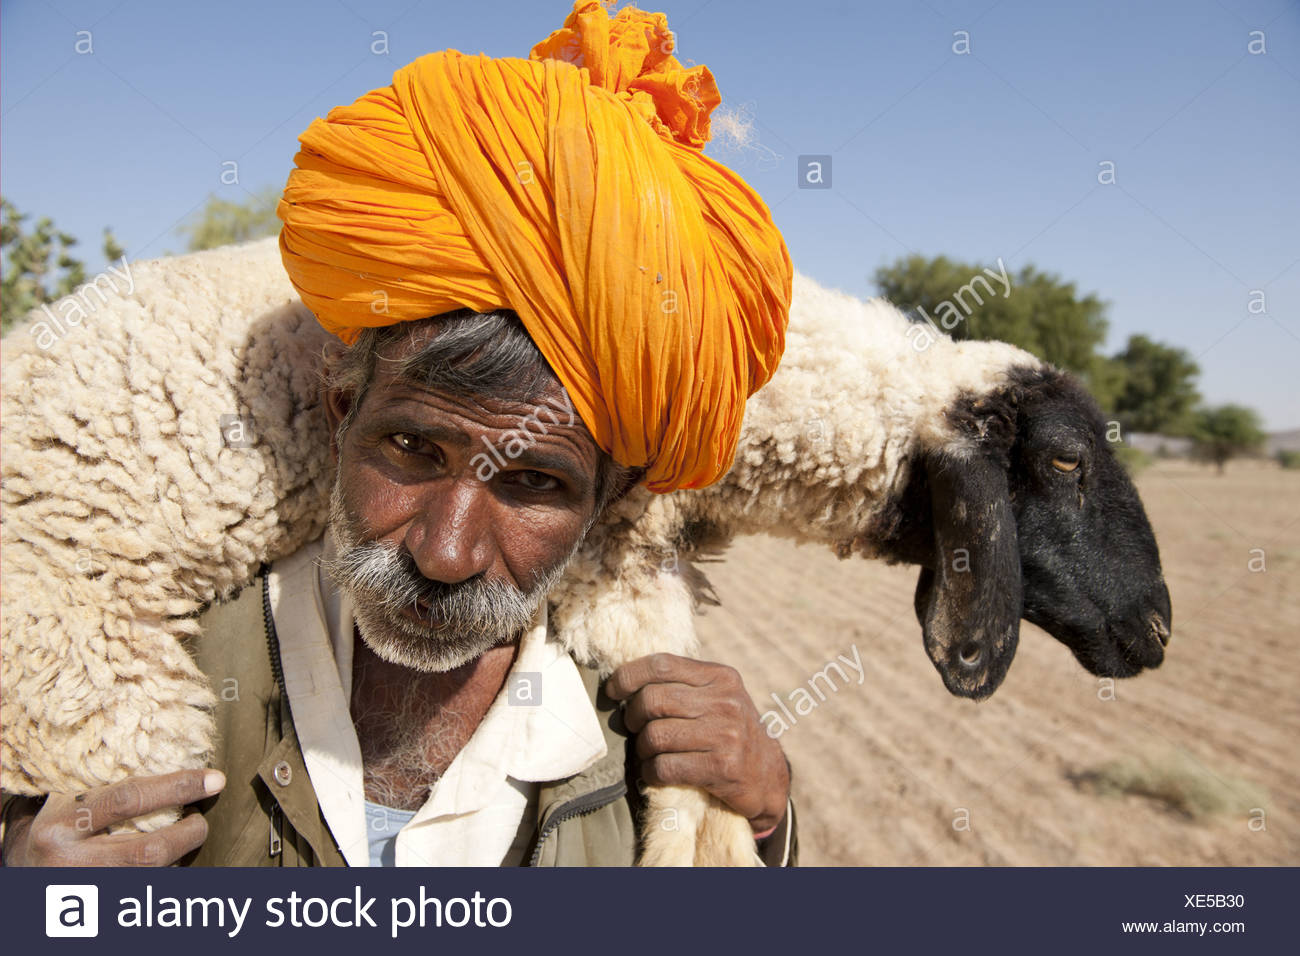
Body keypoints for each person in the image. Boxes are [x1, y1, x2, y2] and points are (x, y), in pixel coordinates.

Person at [0, 0, 796, 866]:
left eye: (533, 482)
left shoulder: (647, 744)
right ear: (345, 415)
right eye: (414, 450)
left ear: (613, 497)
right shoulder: (151, 669)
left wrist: (762, 819)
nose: (445, 553)